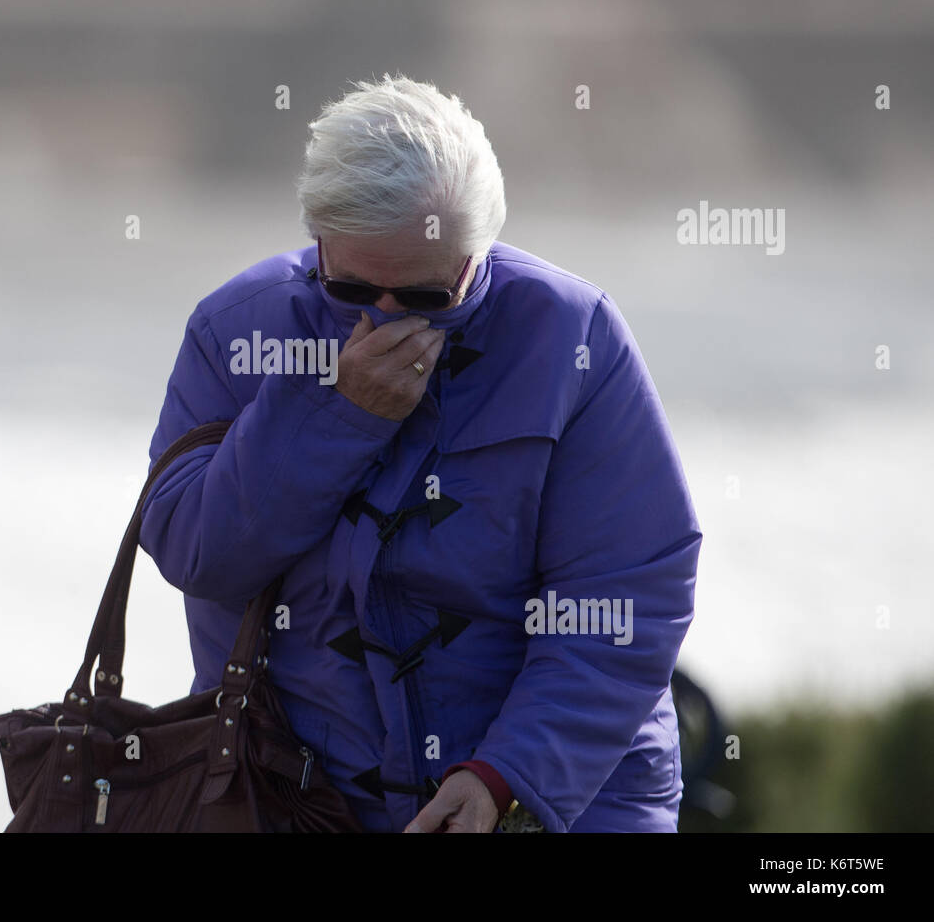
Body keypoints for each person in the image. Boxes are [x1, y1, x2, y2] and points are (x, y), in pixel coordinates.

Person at [137, 73, 701, 833]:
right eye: (354, 291)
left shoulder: (573, 336)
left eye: (429, 299)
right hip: (300, 799)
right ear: (318, 238)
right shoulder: (235, 330)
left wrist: (509, 777)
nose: (387, 319)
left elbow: (627, 590)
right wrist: (335, 415)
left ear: (479, 250)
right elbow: (194, 548)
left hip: (561, 798)